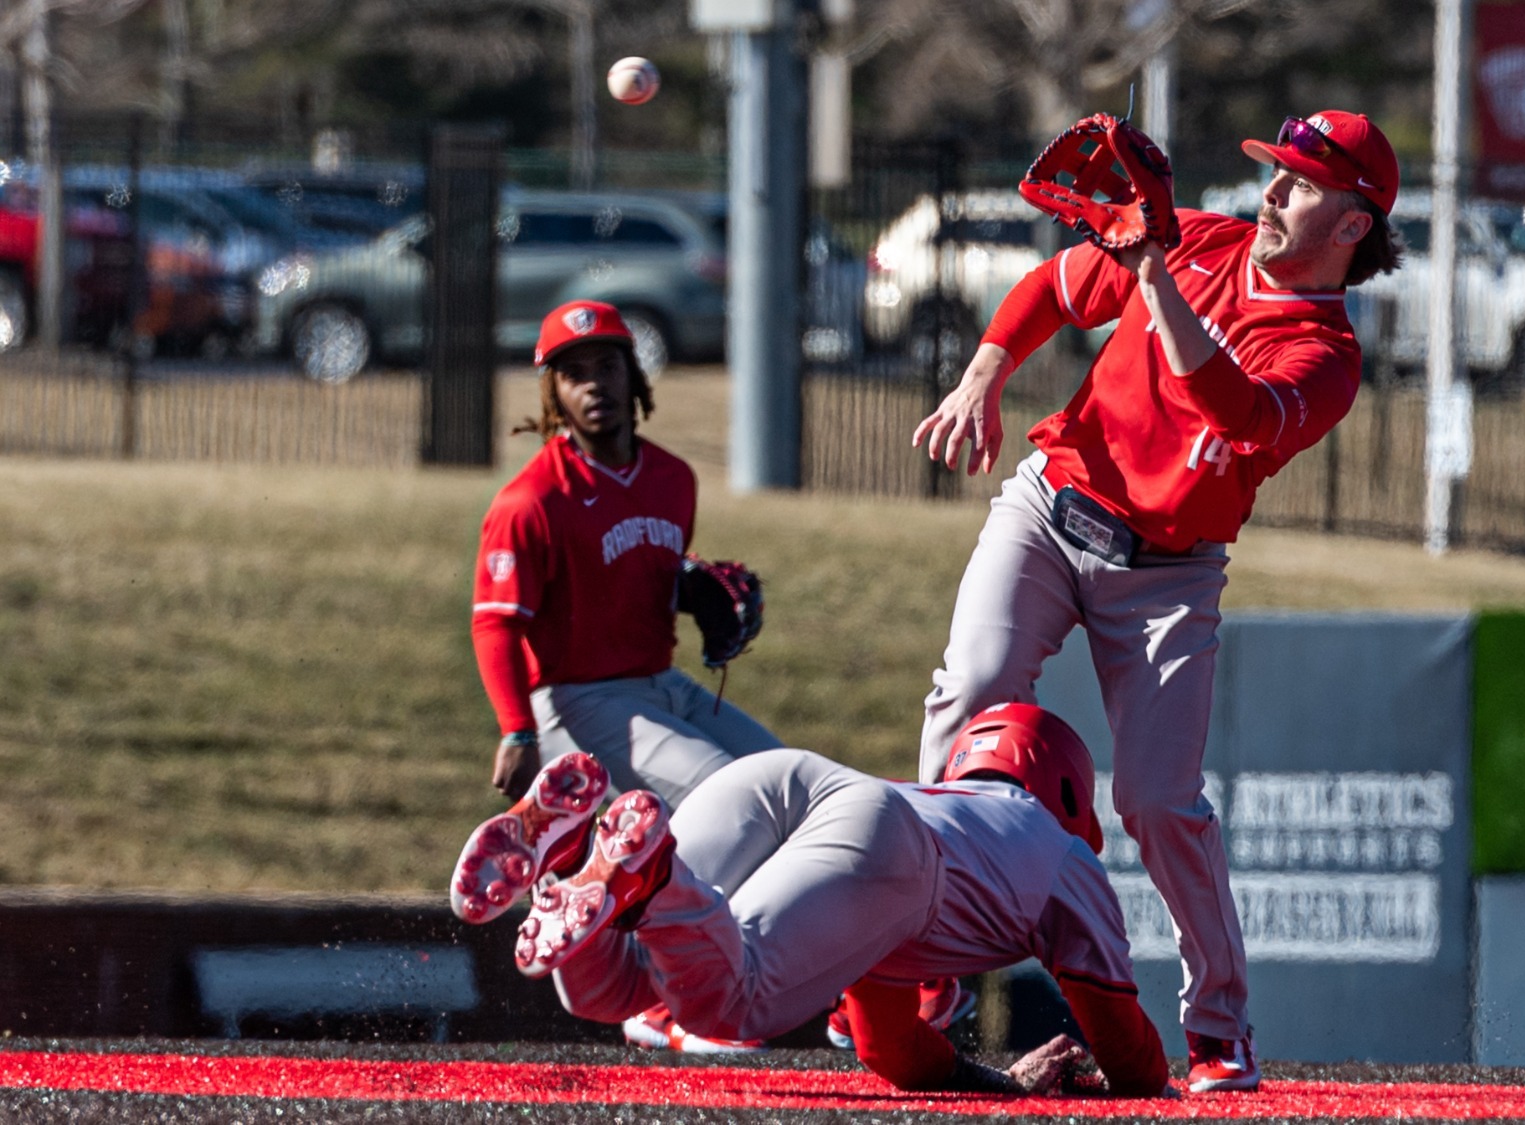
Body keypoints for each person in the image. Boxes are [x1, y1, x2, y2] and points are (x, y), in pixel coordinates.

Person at [907, 110, 1404, 1093]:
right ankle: (929, 967)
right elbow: (1052, 288)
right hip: (1054, 508)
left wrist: (1151, 272)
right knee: (965, 699)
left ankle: (1220, 1029)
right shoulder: (1202, 241)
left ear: (1351, 226)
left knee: (1158, 803)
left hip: (1168, 573)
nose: (1270, 193)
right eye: (1273, 173)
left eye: (1298, 185)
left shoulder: (1327, 355)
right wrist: (981, 376)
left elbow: (1234, 407)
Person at [493, 704, 1175, 1098]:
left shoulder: (950, 812)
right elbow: (1127, 1052)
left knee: (616, 983)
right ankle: (658, 876)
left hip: (796, 778)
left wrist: (989, 1080)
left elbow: (889, 1045)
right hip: (887, 840)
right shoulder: (1065, 856)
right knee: (725, 1002)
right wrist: (1045, 1082)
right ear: (1066, 793)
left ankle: (565, 862)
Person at [454, 298, 782, 1049]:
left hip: (659, 683)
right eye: (573, 373)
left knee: (786, 781)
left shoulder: (673, 478)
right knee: (725, 800)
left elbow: (644, 579)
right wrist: (513, 725)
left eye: (606, 365)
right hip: (576, 696)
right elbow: (494, 620)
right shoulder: (530, 500)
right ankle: (664, 997)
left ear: (634, 375)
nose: (593, 383)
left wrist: (698, 590)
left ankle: (726, 959)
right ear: (554, 395)